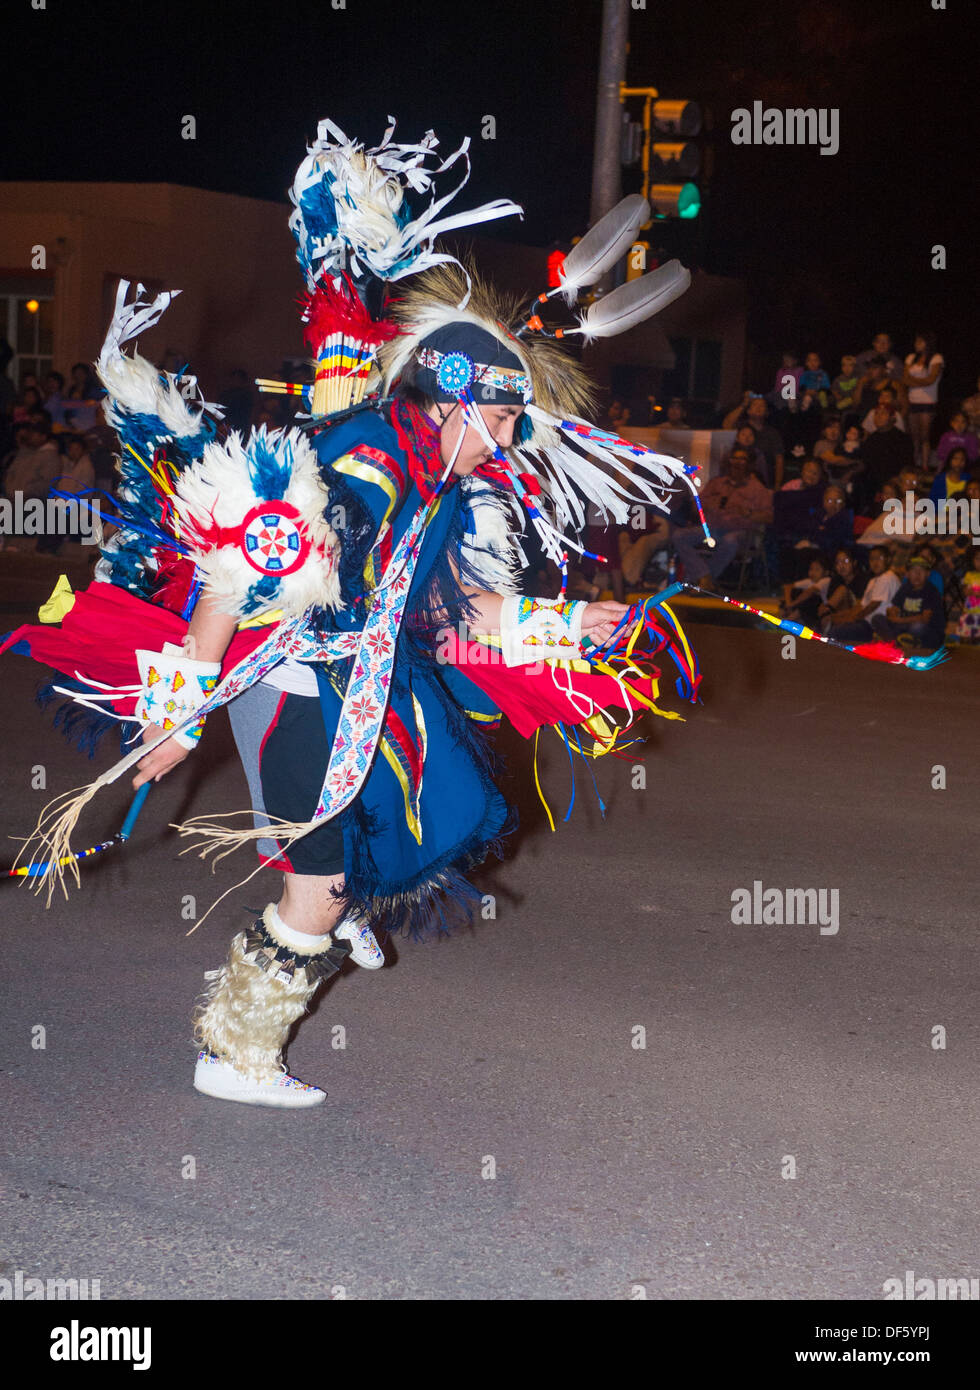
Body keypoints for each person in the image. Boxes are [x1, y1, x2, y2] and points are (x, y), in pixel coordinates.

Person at [3, 120, 709, 1111]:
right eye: (502, 419)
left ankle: (326, 908)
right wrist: (176, 708)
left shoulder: (435, 475)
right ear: (453, 399)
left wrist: (563, 627)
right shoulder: (372, 461)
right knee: (319, 883)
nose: (508, 440)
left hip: (354, 681)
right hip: (289, 682)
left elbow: (464, 609)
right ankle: (238, 1049)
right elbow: (231, 561)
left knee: (427, 807)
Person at [671, 446, 773, 586]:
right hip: (711, 529)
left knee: (730, 540)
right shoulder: (716, 483)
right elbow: (695, 506)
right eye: (734, 459)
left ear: (749, 464)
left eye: (742, 459)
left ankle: (704, 581)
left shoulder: (757, 488)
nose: (737, 463)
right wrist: (708, 505)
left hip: (741, 532)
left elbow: (769, 517)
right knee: (679, 535)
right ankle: (704, 577)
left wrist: (748, 513)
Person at [828, 545, 900, 644]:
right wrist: (842, 617)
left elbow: (873, 605)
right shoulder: (873, 580)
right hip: (867, 623)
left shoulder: (887, 577)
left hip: (877, 625)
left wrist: (853, 618)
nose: (875, 562)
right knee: (837, 627)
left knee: (836, 632)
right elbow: (862, 605)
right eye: (872, 559)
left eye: (879, 558)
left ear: (888, 560)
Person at [871, 556, 945, 650]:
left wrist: (899, 620)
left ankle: (894, 640)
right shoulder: (905, 588)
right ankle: (899, 641)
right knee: (877, 618)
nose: (917, 574)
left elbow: (924, 619)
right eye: (914, 571)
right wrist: (892, 613)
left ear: (927, 574)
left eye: (921, 571)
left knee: (917, 627)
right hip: (905, 626)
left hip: (927, 628)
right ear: (907, 574)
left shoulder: (931, 591)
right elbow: (895, 608)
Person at [859, 404, 914, 510]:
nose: (878, 416)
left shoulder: (902, 439)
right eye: (876, 414)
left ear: (893, 418)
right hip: (874, 486)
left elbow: (908, 466)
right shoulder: (871, 439)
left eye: (883, 413)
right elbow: (865, 464)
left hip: (895, 486)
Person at [903, 332, 944, 471]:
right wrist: (922, 382)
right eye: (916, 341)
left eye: (920, 341)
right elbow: (905, 378)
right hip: (912, 400)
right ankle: (914, 463)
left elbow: (931, 379)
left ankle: (925, 465)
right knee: (914, 436)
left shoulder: (936, 358)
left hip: (928, 401)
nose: (917, 344)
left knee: (925, 436)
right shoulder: (911, 357)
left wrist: (913, 382)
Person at [817, 548, 861, 633]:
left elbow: (860, 607)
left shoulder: (861, 580)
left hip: (854, 615)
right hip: (837, 614)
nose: (842, 566)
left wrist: (832, 615)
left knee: (842, 590)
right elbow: (831, 602)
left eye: (846, 561)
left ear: (854, 562)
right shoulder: (836, 580)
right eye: (838, 562)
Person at [781, 555, 829, 627]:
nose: (813, 572)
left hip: (819, 613)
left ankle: (787, 622)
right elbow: (788, 587)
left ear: (826, 572)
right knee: (793, 593)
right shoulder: (809, 581)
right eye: (811, 569)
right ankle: (783, 618)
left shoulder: (826, 580)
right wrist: (788, 603)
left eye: (817, 570)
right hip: (806, 613)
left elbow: (810, 592)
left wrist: (792, 604)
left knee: (812, 598)